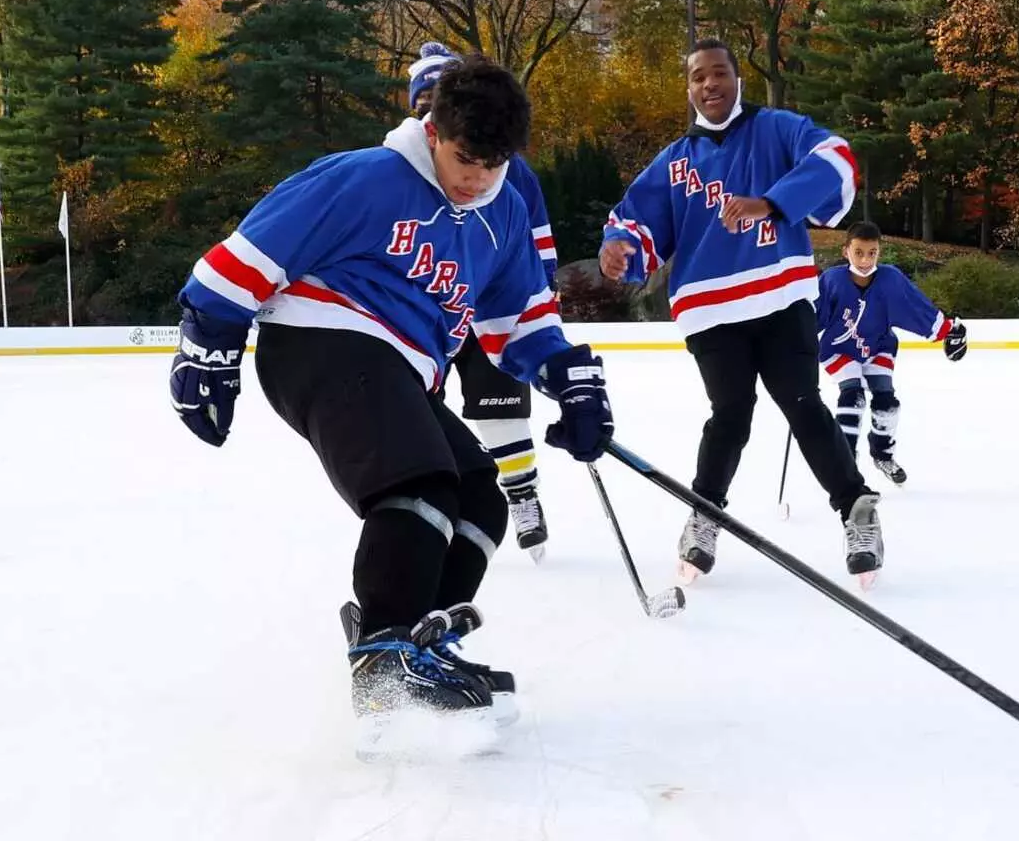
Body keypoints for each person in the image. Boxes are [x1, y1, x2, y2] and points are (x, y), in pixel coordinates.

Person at [167, 55, 614, 724]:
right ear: (432, 131)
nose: (477, 179)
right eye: (466, 159)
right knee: (418, 483)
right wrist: (206, 349)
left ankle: (423, 642)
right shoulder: (366, 178)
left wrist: (568, 379)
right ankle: (384, 662)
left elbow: (516, 322)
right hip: (320, 338)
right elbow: (244, 258)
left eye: (495, 165)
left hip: (402, 368)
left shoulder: (505, 211)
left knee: (478, 500)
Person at [598, 37, 884, 588]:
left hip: (780, 297)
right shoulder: (674, 160)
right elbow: (634, 221)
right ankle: (705, 515)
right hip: (710, 311)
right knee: (730, 414)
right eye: (699, 77)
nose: (710, 84)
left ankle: (857, 510)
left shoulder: (777, 129)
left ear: (737, 79)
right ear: (689, 88)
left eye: (719, 73)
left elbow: (837, 158)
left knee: (803, 406)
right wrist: (621, 248)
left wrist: (773, 203)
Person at [411, 43, 557, 561]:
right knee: (416, 417)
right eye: (421, 99)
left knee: (501, 413)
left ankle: (522, 496)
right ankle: (432, 506)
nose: (428, 107)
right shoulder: (398, 167)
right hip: (428, 315)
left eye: (436, 95)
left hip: (491, 308)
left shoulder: (508, 168)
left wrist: (543, 290)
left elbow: (536, 237)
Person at [816, 221, 968, 486]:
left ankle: (882, 454)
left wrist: (946, 330)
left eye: (872, 252)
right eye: (859, 252)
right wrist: (794, 334)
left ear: (879, 252)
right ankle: (845, 462)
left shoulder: (890, 279)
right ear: (845, 252)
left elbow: (915, 306)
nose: (865, 259)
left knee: (887, 403)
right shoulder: (832, 280)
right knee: (852, 399)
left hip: (879, 345)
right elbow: (813, 314)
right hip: (839, 347)